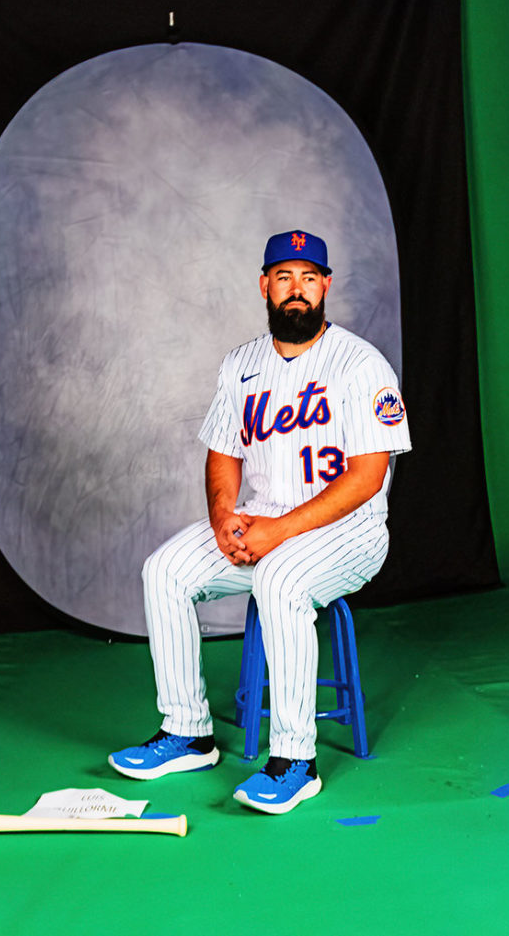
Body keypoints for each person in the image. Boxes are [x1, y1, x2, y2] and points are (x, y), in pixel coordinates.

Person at [108, 230, 411, 814]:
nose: (295, 289)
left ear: (325, 285)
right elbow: (223, 452)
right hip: (263, 521)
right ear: (265, 285)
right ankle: (187, 733)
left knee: (281, 582)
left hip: (350, 531)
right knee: (164, 570)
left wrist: (276, 533)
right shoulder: (241, 364)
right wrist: (224, 517)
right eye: (283, 277)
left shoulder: (361, 363)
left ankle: (295, 760)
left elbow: (368, 477)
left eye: (307, 277)